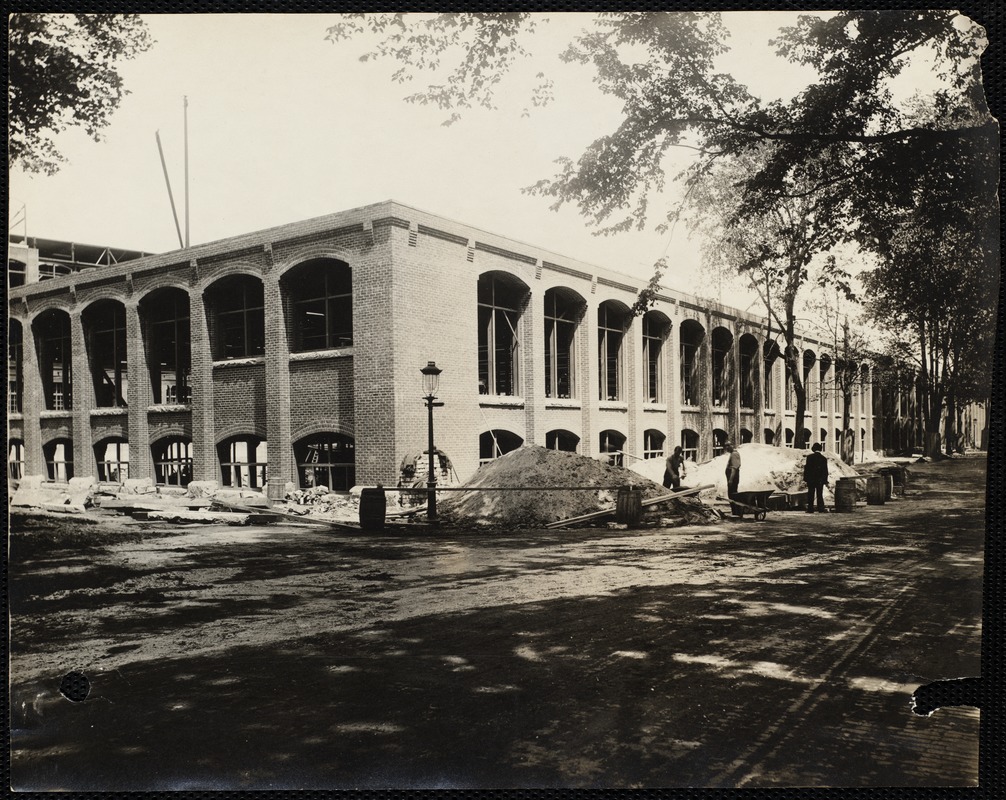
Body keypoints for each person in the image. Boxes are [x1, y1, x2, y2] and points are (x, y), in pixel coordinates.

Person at [804, 442, 830, 513]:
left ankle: (810, 509)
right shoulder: (823, 459)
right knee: (819, 494)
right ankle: (820, 508)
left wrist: (806, 478)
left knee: (810, 494)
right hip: (820, 480)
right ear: (820, 449)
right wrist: (825, 480)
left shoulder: (809, 457)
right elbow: (825, 470)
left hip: (811, 479)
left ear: (813, 449)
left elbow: (807, 469)